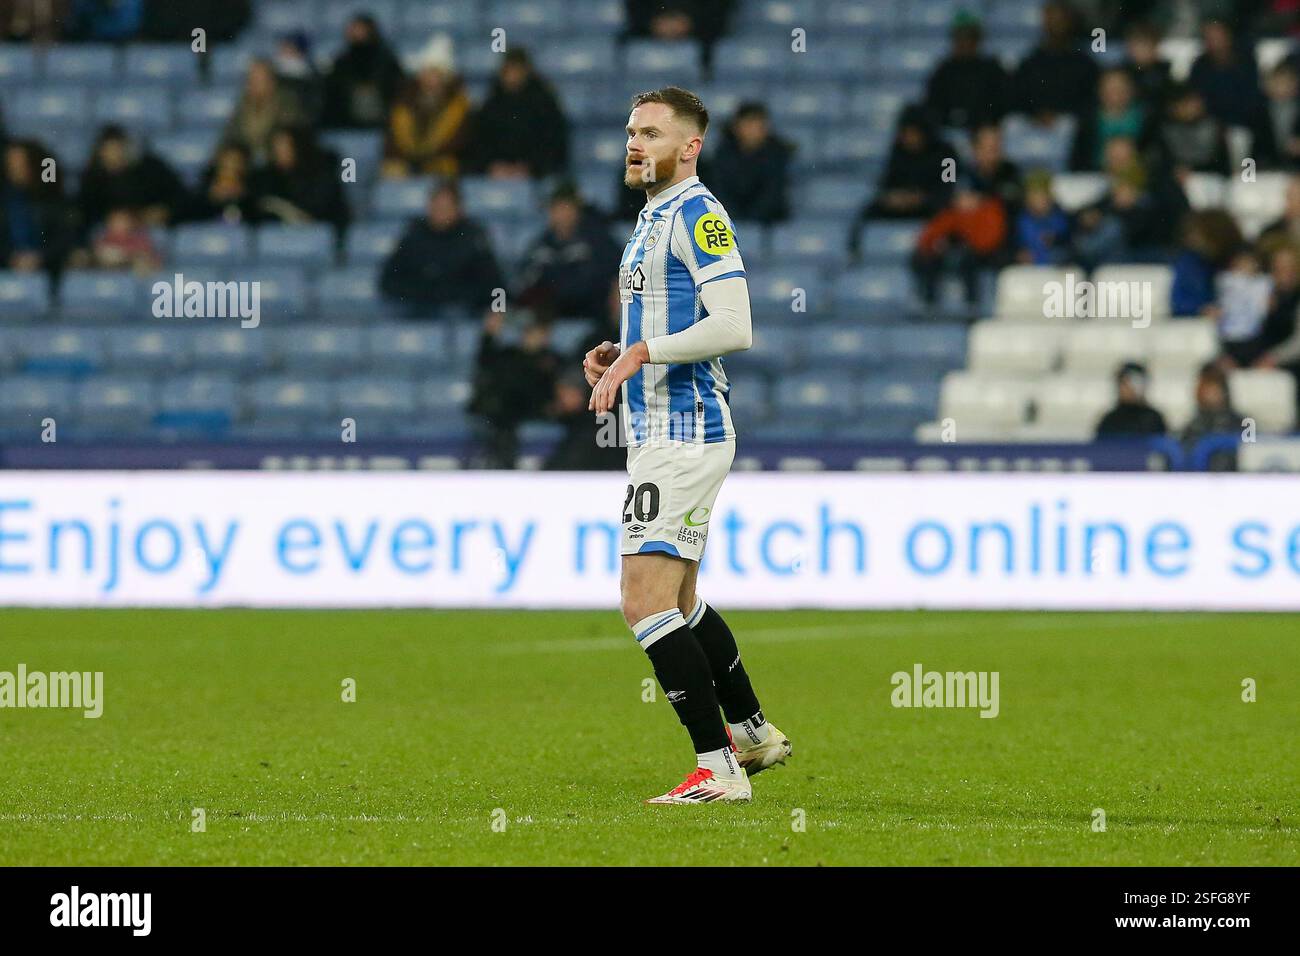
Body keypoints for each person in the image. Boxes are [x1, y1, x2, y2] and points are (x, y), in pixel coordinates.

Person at [581, 87, 790, 804]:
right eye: (631, 131)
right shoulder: (651, 218)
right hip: (658, 432)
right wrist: (619, 355)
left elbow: (736, 324)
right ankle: (752, 732)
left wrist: (643, 354)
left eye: (651, 133)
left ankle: (718, 767)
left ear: (690, 146)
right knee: (681, 599)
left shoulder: (698, 214)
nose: (634, 143)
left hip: (684, 430)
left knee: (643, 603)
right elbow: (670, 324)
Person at [379, 180, 504, 315]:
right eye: (436, 206)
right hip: (418, 308)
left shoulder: (474, 237)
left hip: (462, 309)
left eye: (446, 207)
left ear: (459, 209)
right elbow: (388, 281)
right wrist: (424, 291)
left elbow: (494, 284)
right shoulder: (413, 234)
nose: (440, 213)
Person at [515, 183, 622, 324]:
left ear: (576, 210)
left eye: (566, 207)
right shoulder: (542, 244)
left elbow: (617, 272)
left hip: (592, 313)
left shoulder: (598, 239)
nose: (561, 215)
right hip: (552, 314)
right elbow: (524, 279)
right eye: (556, 209)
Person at [911, 174, 1007, 310]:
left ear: (978, 196)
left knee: (969, 259)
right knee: (925, 257)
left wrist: (962, 239)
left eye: (968, 195)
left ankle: (972, 305)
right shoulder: (953, 213)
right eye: (959, 196)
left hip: (986, 257)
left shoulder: (990, 210)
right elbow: (927, 237)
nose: (963, 200)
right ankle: (929, 303)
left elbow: (987, 243)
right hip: (959, 256)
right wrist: (938, 245)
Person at [470, 47, 569, 180]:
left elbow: (555, 144)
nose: (512, 76)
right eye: (508, 70)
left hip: (535, 177)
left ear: (526, 71)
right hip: (496, 175)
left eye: (516, 70)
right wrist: (491, 166)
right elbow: (479, 144)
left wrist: (531, 168)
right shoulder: (491, 104)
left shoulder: (544, 104)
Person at [381, 34, 471, 178]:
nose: (430, 78)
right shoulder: (404, 103)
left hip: (439, 160)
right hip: (407, 160)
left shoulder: (458, 105)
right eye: (427, 72)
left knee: (446, 167)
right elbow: (393, 140)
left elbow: (460, 142)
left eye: (435, 74)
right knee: (392, 170)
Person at [77, 125, 187, 232]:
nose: (114, 155)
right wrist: (110, 219)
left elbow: (181, 197)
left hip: (152, 231)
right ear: (100, 153)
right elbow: (87, 212)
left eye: (118, 149)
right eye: (109, 150)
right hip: (110, 235)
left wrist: (164, 211)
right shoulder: (92, 178)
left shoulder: (151, 168)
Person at [249, 126, 349, 236]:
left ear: (298, 147)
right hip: (277, 238)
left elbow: (327, 213)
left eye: (286, 146)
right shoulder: (264, 178)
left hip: (316, 236)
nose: (280, 152)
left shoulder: (321, 176)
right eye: (276, 147)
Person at [703, 102, 793, 224]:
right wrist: (732, 217)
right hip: (727, 219)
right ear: (736, 127)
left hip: (768, 222)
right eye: (748, 125)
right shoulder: (723, 153)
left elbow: (773, 194)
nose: (752, 131)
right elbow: (719, 189)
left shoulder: (777, 155)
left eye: (758, 126)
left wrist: (751, 221)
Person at [1011, 0, 1099, 122]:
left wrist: (1059, 117)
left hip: (1072, 126)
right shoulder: (1030, 63)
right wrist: (1037, 115)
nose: (1056, 24)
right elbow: (1018, 98)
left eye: (1060, 20)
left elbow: (1089, 102)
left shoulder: (1085, 63)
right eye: (1051, 20)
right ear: (1044, 22)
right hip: (1032, 125)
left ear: (1070, 21)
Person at [0, 138, 75, 278]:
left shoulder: (52, 198)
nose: (14, 168)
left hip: (48, 271)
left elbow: (64, 238)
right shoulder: (5, 198)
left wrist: (40, 257)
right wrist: (10, 257)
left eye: (19, 162)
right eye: (10, 163)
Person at [922, 9, 1008, 130]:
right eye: (960, 37)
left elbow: (1002, 106)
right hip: (948, 137)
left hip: (984, 135)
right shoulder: (943, 72)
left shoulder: (992, 70)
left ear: (978, 40)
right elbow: (933, 108)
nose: (965, 43)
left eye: (969, 37)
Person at [320, 13, 405, 129]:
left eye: (361, 29)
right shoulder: (342, 61)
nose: (356, 33)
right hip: (347, 117)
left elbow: (396, 84)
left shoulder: (386, 58)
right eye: (354, 29)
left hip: (381, 115)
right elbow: (334, 89)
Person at [222, 58, 306, 165]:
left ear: (271, 80)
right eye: (251, 78)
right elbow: (230, 134)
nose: (253, 83)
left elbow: (291, 133)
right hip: (248, 162)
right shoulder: (243, 104)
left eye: (259, 79)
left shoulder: (288, 102)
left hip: (276, 161)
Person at [1181, 362, 1244, 470]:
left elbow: (1252, 454)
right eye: (1207, 389)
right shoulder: (1193, 426)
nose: (1211, 393)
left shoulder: (1243, 423)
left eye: (1215, 388)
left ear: (1224, 391)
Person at [1095, 361, 1168, 437]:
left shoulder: (1153, 419)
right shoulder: (1109, 420)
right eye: (1123, 382)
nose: (1127, 388)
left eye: (1131, 383)